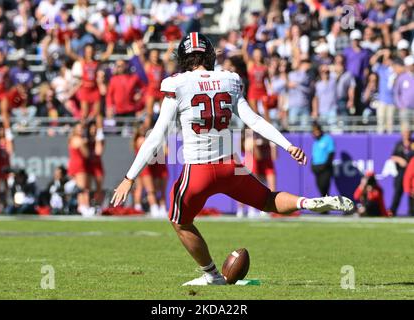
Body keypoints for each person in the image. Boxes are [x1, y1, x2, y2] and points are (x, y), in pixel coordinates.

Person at [111, 33, 354, 286]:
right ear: (210, 55)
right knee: (268, 199)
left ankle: (212, 274)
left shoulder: (178, 84)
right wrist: (287, 145)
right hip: (230, 167)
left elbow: (155, 137)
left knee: (179, 221)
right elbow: (254, 121)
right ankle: (308, 202)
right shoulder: (229, 79)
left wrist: (130, 178)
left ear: (184, 58)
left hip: (198, 170)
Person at [67, 123, 94, 216]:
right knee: (83, 188)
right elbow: (86, 154)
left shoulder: (73, 139)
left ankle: (83, 206)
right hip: (79, 165)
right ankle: (84, 206)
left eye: (81, 129)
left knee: (82, 187)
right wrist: (85, 143)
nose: (81, 131)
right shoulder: (78, 139)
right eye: (79, 129)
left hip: (76, 164)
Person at [389, 128, 414, 216]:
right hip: (401, 171)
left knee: (412, 191)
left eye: (409, 133)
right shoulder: (399, 144)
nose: (407, 134)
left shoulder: (412, 144)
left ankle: (411, 212)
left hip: (411, 171)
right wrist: (400, 160)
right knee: (398, 191)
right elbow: (392, 156)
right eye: (405, 133)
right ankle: (392, 210)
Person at [311, 122, 335, 203]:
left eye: (316, 131)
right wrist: (312, 166)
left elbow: (331, 153)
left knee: (324, 186)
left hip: (325, 167)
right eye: (314, 131)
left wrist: (325, 165)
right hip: (317, 167)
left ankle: (326, 205)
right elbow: (314, 155)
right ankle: (324, 205)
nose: (315, 133)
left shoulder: (327, 139)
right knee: (320, 187)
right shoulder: (315, 142)